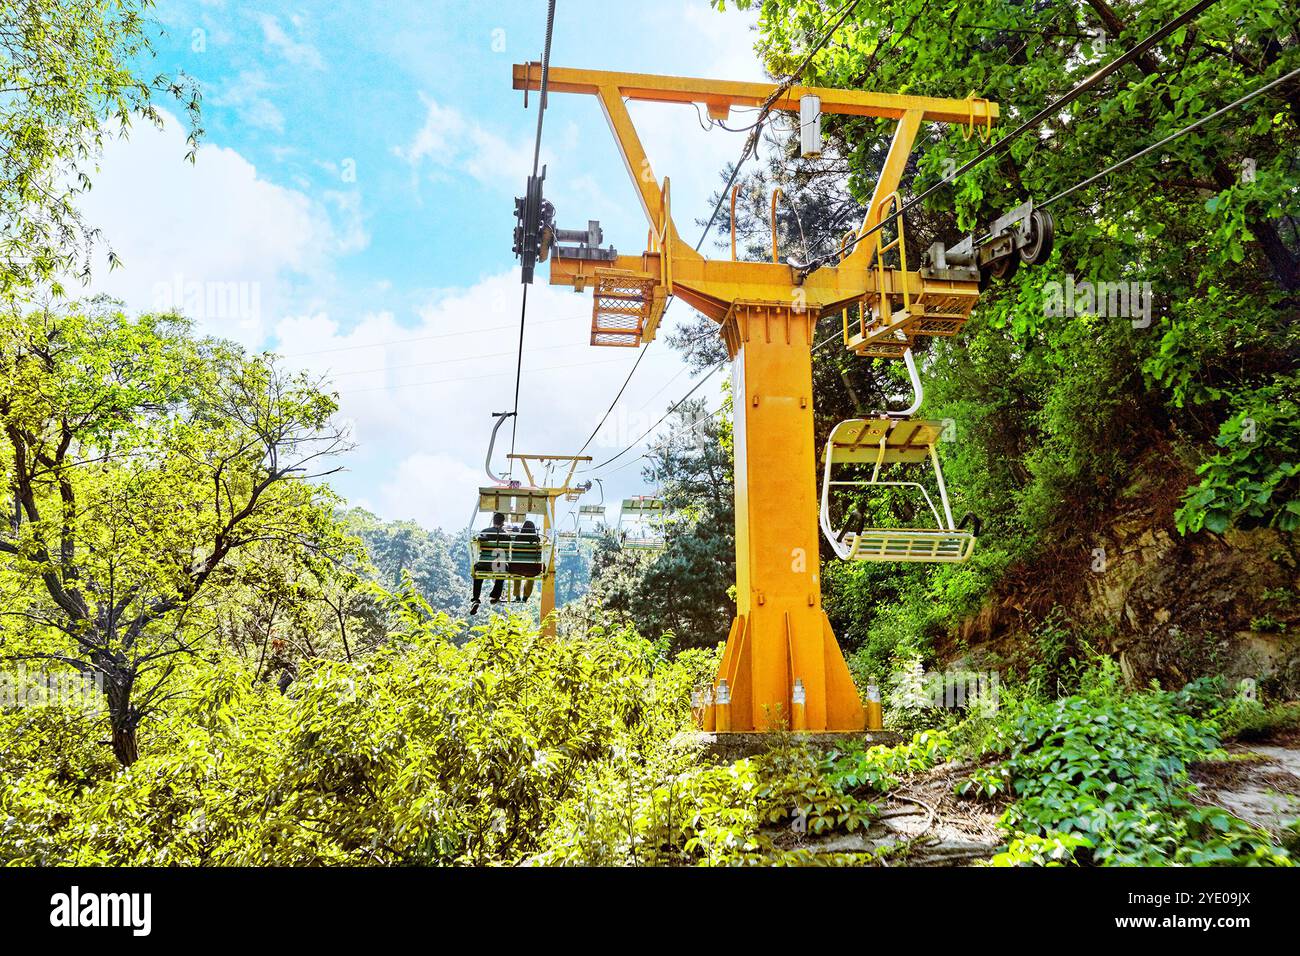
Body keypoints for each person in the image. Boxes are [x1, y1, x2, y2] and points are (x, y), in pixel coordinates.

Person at [470, 512, 509, 614]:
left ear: (493, 521)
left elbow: (479, 540)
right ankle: (495, 595)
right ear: (502, 523)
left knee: (478, 573)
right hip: (499, 565)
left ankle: (476, 598)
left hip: (484, 563)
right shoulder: (506, 536)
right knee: (502, 569)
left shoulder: (484, 531)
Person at [510, 519, 544, 602]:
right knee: (531, 576)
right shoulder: (537, 539)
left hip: (518, 567)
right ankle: (526, 596)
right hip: (533, 568)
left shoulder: (518, 538)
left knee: (517, 575)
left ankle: (517, 596)